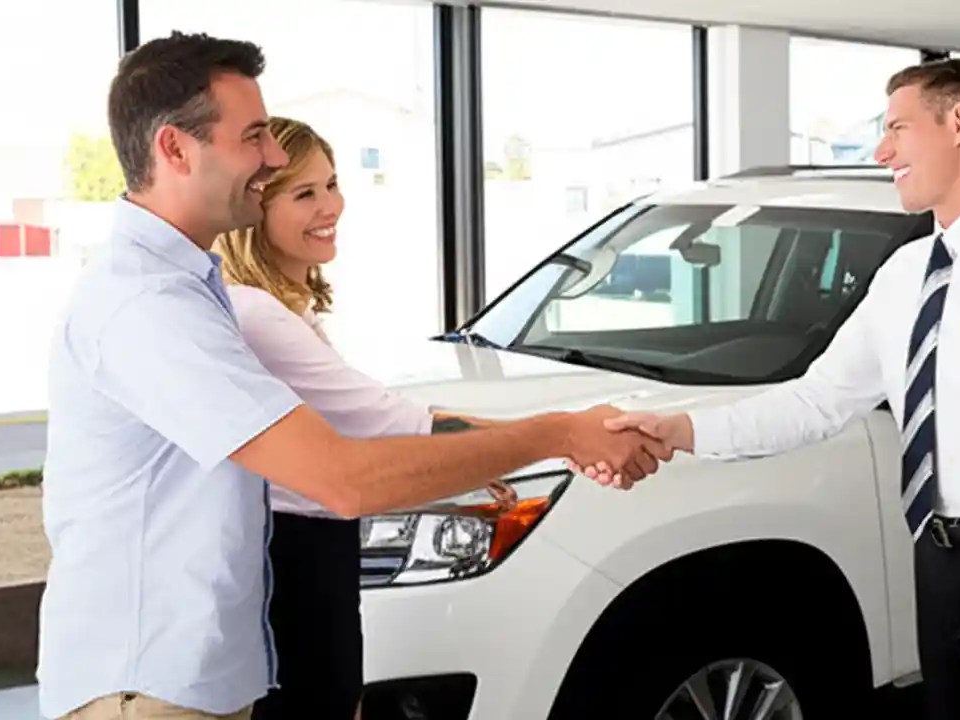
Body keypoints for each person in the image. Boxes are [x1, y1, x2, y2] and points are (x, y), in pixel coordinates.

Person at [38, 31, 667, 720]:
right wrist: (553, 434)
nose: (272, 156)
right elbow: (344, 478)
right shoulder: (149, 306)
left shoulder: (190, 285)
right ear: (175, 149)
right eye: (254, 137)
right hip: (149, 689)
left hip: (188, 678)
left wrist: (553, 436)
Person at [576, 58, 960, 720]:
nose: (882, 151)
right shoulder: (906, 274)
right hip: (936, 565)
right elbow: (816, 401)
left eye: (898, 128)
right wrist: (684, 430)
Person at [211, 116, 520, 720]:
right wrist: (534, 441)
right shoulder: (261, 317)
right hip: (293, 556)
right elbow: (383, 419)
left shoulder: (283, 308)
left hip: (309, 547)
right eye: (304, 194)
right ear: (258, 211)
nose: (330, 207)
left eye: (331, 185)